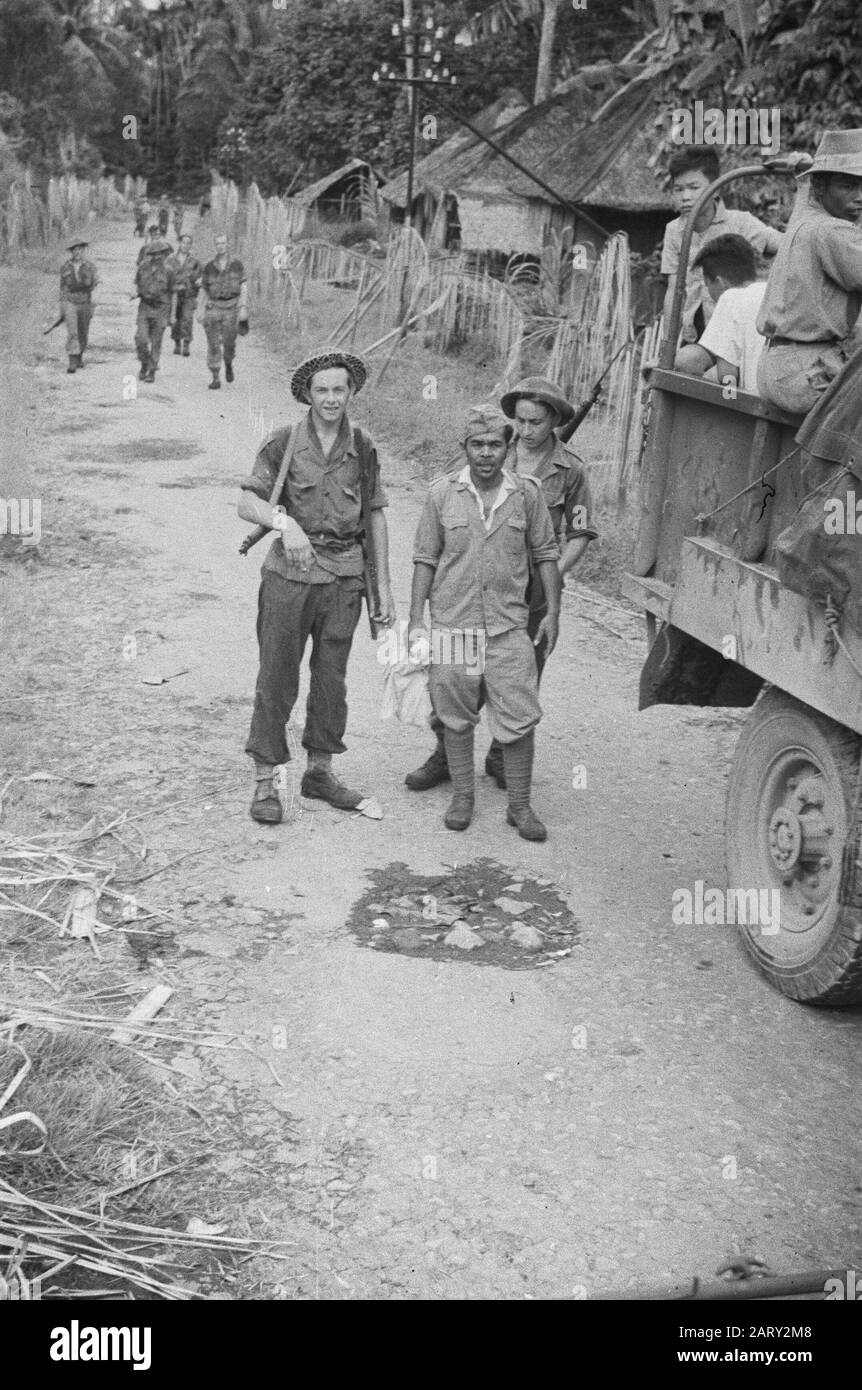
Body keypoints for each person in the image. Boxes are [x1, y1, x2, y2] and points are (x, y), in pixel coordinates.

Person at [406, 376, 596, 793]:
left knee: (516, 681)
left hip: (530, 596)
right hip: (473, 588)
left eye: (537, 422)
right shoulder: (495, 448)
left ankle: (499, 755)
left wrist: (552, 577)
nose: (527, 430)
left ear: (555, 423)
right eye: (522, 421)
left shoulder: (571, 470)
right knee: (456, 676)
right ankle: (446, 753)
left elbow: (579, 534)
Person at [238, 349, 395, 824]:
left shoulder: (363, 446)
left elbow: (374, 514)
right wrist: (286, 524)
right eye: (322, 390)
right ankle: (266, 780)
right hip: (289, 576)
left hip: (345, 577)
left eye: (339, 389)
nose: (331, 398)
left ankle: (320, 772)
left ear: (351, 393)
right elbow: (248, 501)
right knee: (277, 677)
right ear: (308, 394)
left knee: (332, 681)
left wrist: (383, 586)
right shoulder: (284, 442)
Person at [409, 405, 561, 841]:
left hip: (508, 626)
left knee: (518, 714)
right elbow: (424, 559)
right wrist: (417, 620)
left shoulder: (527, 494)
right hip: (454, 624)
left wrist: (553, 611)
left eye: (495, 444)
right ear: (465, 449)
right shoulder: (441, 494)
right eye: (477, 445)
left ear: (508, 447)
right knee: (454, 715)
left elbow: (546, 555)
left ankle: (520, 806)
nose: (486, 454)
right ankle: (462, 796)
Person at [756, 129, 862, 415]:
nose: (859, 198)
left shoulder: (806, 220)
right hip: (804, 371)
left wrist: (802, 177)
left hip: (779, 367)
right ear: (821, 187)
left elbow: (806, 198)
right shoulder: (833, 230)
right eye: (847, 186)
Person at [661, 145, 781, 344]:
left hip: (732, 332)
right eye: (679, 189)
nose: (685, 197)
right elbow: (674, 290)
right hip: (692, 332)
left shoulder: (741, 222)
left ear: (715, 188)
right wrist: (668, 342)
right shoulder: (674, 231)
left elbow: (785, 243)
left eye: (693, 188)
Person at [674, 233, 767, 393]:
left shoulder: (731, 298)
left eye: (707, 285)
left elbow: (728, 380)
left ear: (720, 282)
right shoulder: (772, 292)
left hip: (752, 409)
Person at [201, 234, 249, 389]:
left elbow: (243, 286)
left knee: (229, 342)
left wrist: (243, 308)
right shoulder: (209, 267)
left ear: (228, 245)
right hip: (214, 307)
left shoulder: (237, 265)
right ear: (215, 246)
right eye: (218, 243)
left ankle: (228, 363)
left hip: (231, 307)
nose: (220, 246)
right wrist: (200, 309)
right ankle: (215, 375)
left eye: (223, 243)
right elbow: (204, 289)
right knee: (213, 344)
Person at [133, 239, 177, 383]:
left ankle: (152, 370)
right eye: (155, 254)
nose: (158, 257)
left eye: (161, 254)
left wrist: (172, 315)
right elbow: (136, 284)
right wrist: (135, 292)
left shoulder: (169, 271)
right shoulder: (143, 267)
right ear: (150, 254)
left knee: (157, 341)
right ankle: (144, 363)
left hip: (161, 309)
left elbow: (173, 293)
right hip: (145, 307)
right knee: (141, 339)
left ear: (165, 254)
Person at [59, 237, 99, 374]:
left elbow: (95, 285)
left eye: (80, 250)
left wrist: (93, 304)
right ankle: (72, 361)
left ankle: (79, 355)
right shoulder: (65, 267)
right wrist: (62, 306)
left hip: (85, 302)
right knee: (72, 332)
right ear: (72, 252)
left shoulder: (90, 267)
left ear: (83, 251)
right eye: (75, 250)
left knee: (83, 332)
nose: (77, 252)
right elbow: (62, 288)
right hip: (70, 301)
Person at [167, 234, 202, 357]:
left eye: (188, 243)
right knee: (175, 318)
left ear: (191, 245)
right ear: (180, 244)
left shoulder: (195, 261)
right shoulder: (171, 259)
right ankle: (177, 343)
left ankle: (186, 343)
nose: (185, 245)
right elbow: (165, 274)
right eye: (183, 242)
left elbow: (200, 276)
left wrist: (199, 281)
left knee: (188, 318)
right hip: (175, 293)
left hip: (189, 294)